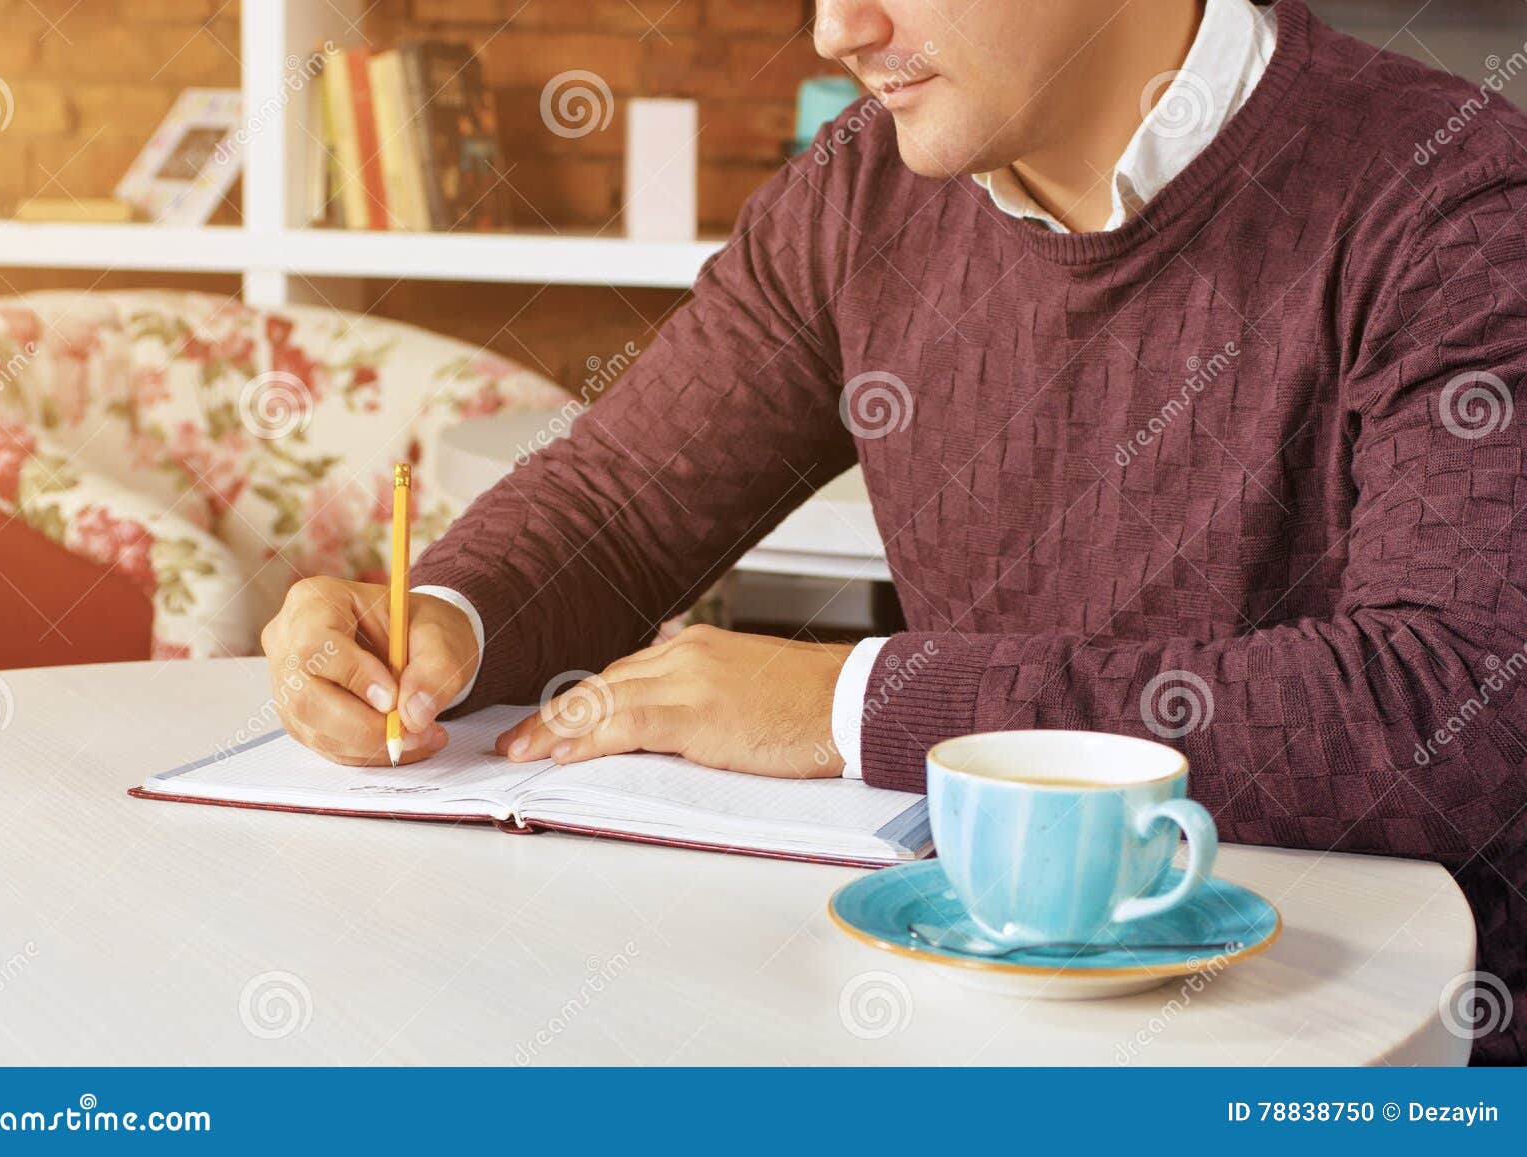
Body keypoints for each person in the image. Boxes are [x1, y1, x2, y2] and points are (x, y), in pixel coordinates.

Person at [262, 0, 1526, 1063]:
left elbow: (1461, 704)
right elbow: (621, 500)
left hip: (1362, 1038)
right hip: (972, 1011)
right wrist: (444, 614)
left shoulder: (1459, 199)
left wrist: (853, 708)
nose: (836, 31)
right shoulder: (859, 188)